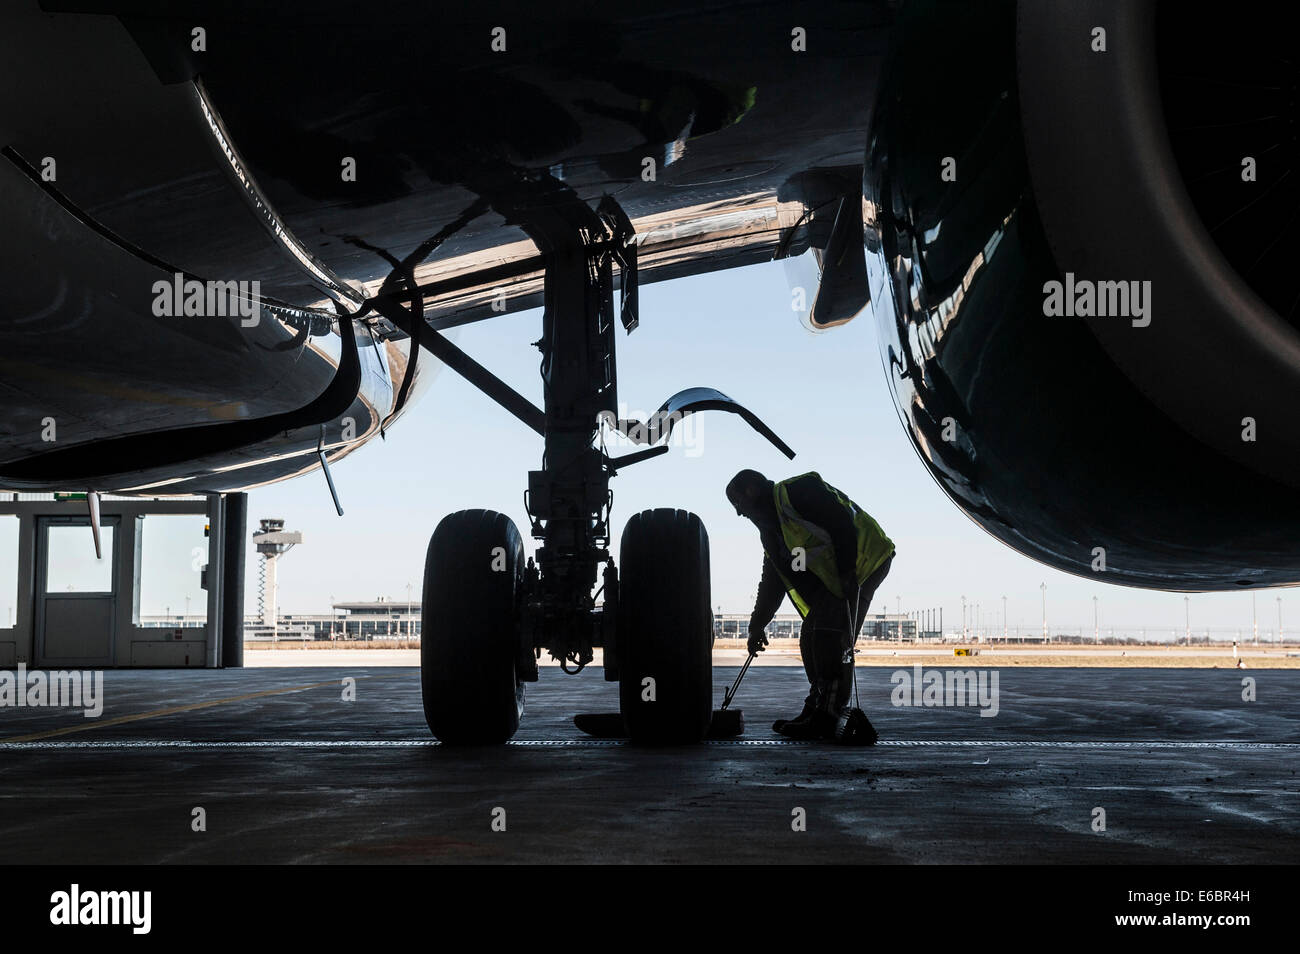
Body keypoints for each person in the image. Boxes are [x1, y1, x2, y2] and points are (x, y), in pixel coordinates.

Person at [726, 469, 895, 740]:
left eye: (738, 504)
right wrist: (757, 626)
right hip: (839, 578)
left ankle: (827, 716)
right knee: (810, 636)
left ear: (751, 492)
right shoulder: (771, 533)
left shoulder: (798, 492)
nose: (739, 514)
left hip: (864, 562)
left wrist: (847, 573)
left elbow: (841, 523)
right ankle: (817, 708)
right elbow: (772, 581)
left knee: (829, 635)